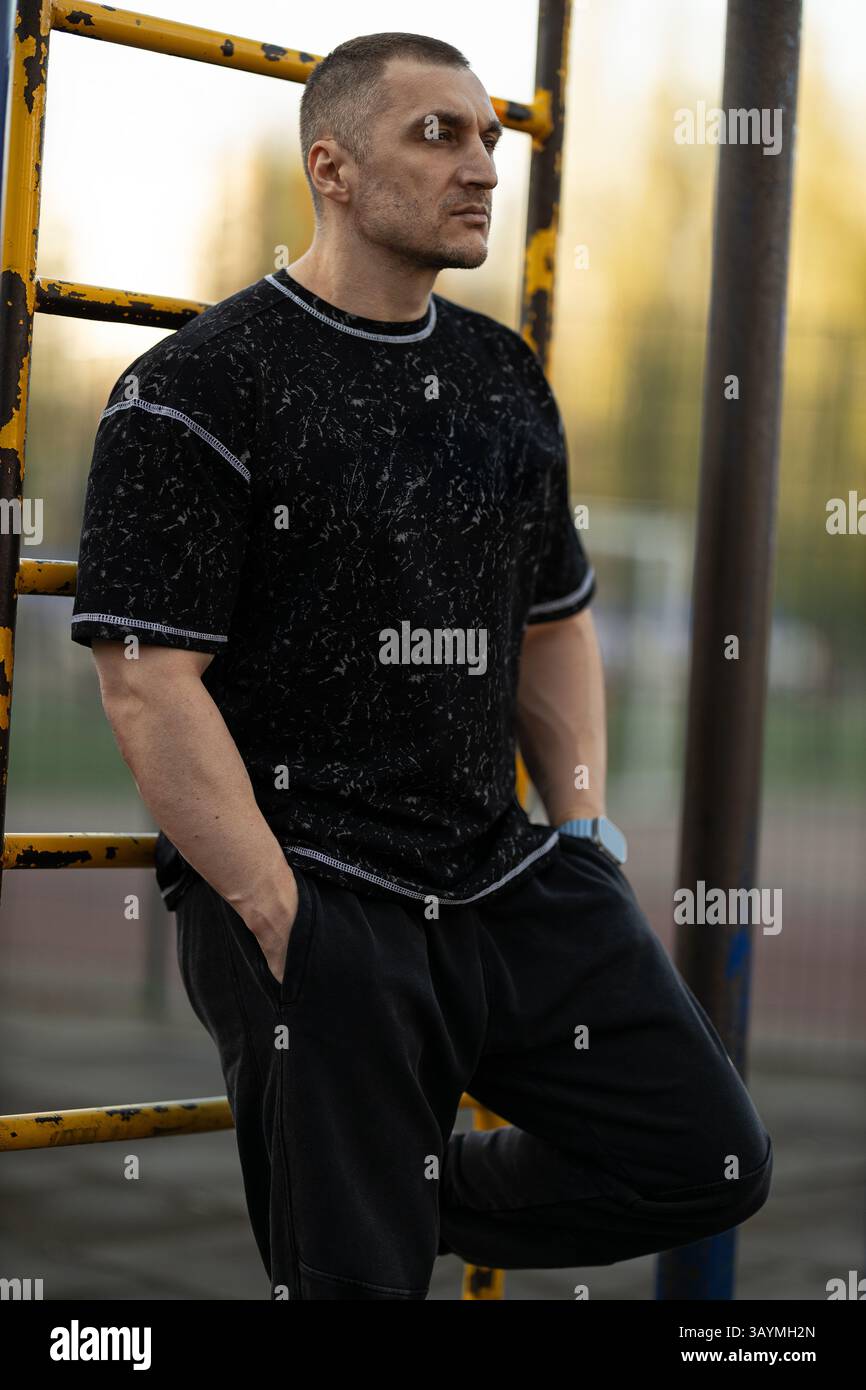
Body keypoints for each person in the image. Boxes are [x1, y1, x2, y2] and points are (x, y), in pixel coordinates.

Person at [70, 32, 772, 1300]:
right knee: (356, 1284)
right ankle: (371, 1212)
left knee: (708, 1158)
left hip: (502, 877)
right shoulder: (195, 389)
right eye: (436, 135)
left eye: (490, 137)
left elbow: (551, 621)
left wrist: (588, 833)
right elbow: (145, 679)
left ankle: (410, 1190)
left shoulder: (501, 377)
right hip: (318, 890)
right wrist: (277, 910)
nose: (482, 167)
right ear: (331, 168)